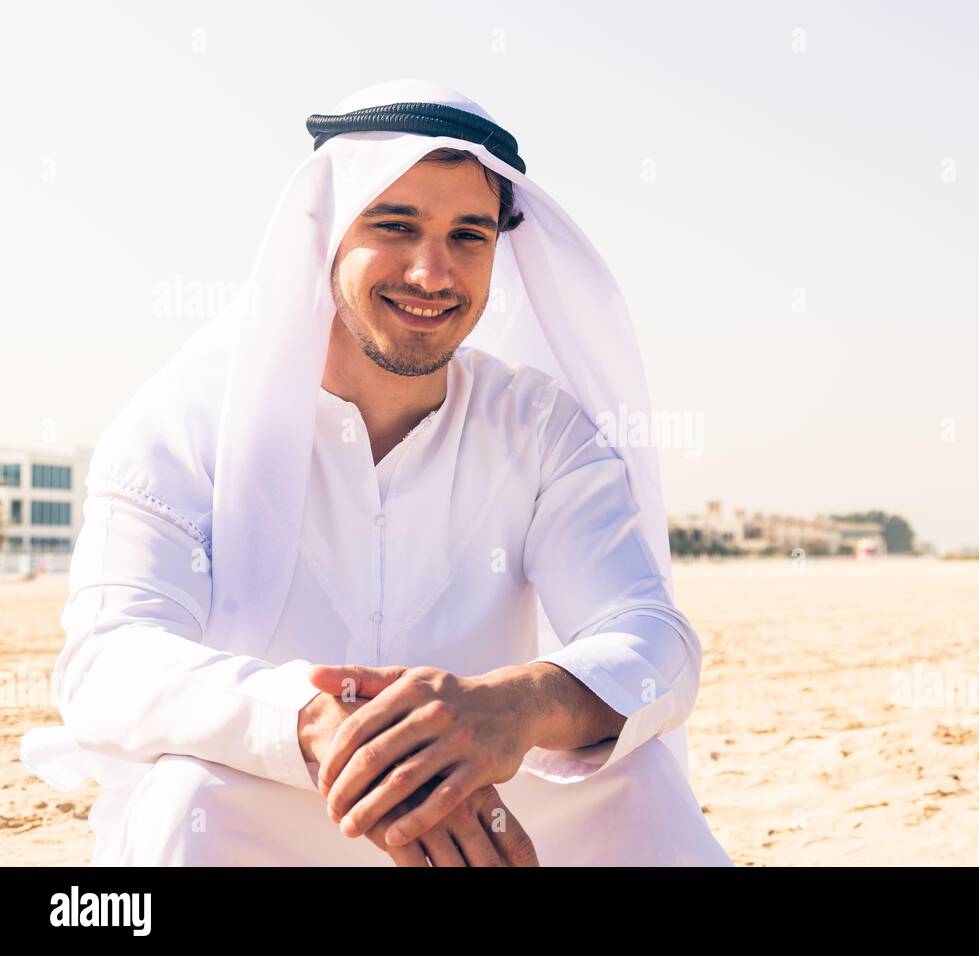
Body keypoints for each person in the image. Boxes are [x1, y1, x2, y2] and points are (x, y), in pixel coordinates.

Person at [20, 79, 732, 867]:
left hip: (489, 805)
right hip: (276, 800)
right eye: (395, 226)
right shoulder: (186, 421)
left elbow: (653, 636)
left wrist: (513, 707)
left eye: (470, 235)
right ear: (325, 235)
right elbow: (107, 662)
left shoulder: (540, 427)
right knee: (191, 797)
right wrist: (314, 725)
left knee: (641, 786)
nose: (433, 273)